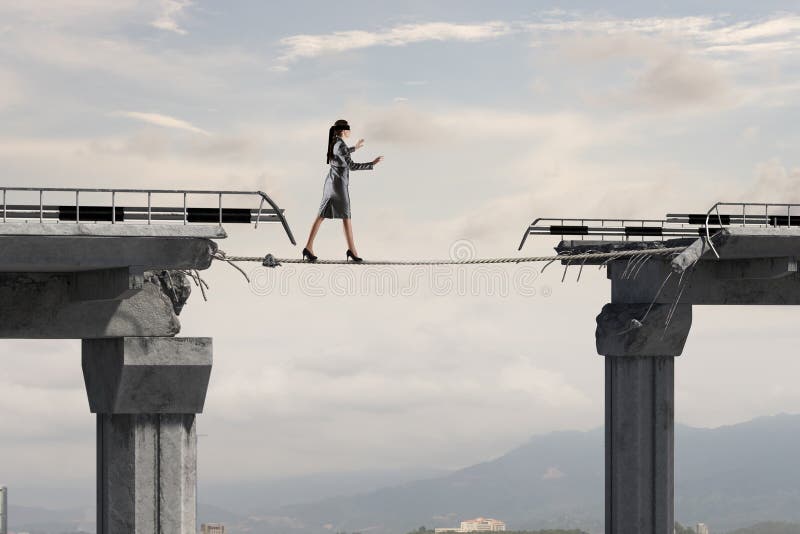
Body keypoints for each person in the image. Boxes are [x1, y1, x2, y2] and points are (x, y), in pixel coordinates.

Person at [302, 119, 383, 262]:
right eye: (349, 129)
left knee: (321, 215)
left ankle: (308, 247)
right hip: (338, 186)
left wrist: (355, 148)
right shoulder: (340, 145)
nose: (350, 132)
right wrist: (372, 164)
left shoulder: (335, 142)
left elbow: (342, 153)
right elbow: (351, 165)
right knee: (346, 216)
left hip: (331, 183)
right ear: (344, 130)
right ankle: (352, 251)